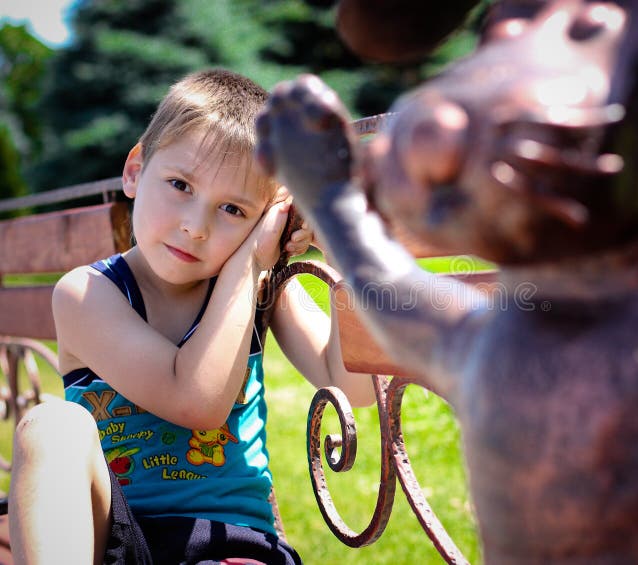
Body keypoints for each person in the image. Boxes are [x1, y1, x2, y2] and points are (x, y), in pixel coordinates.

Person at [8, 68, 374, 565]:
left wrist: (334, 234)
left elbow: (350, 383)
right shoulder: (87, 292)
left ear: (268, 218)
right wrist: (248, 263)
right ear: (135, 170)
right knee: (50, 424)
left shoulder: (260, 290)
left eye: (234, 210)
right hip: (112, 537)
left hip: (227, 545)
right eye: (180, 184)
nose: (195, 227)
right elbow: (194, 401)